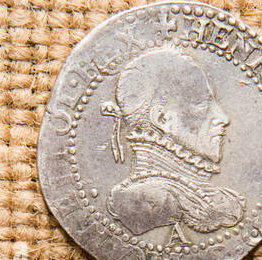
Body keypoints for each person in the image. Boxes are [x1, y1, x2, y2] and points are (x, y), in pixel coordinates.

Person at [101, 46, 244, 246]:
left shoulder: (207, 199)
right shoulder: (140, 203)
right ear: (162, 118)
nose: (223, 118)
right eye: (202, 104)